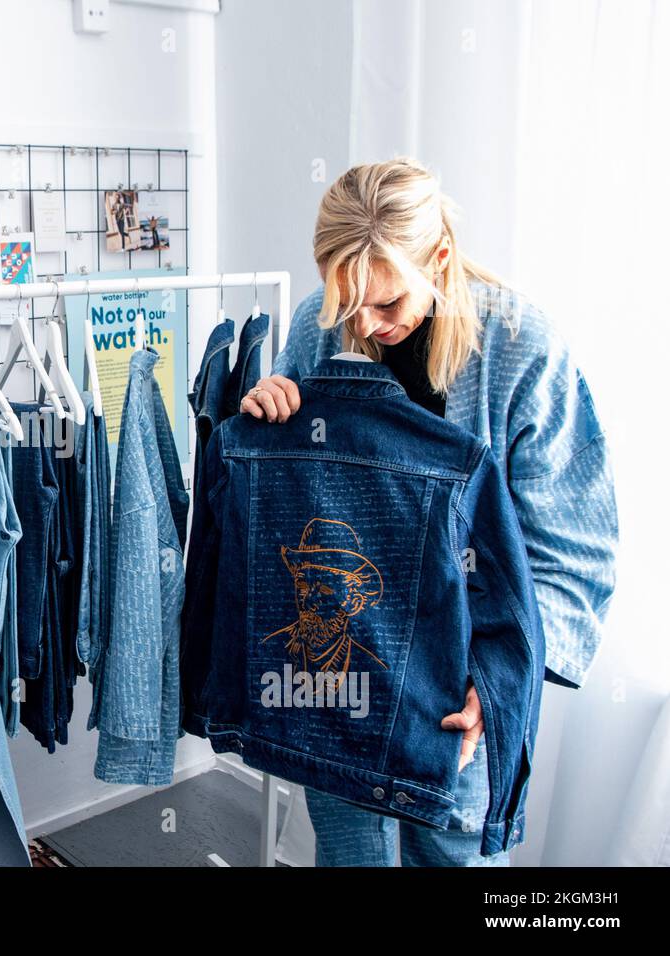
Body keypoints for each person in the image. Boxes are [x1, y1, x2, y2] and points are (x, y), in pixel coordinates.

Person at [242, 157, 618, 866]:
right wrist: (270, 416)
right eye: (344, 303)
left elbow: (574, 549)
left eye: (386, 305)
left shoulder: (523, 348)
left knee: (455, 854)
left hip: (457, 691)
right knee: (352, 853)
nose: (365, 324)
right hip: (344, 683)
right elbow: (293, 493)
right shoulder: (319, 329)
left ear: (439, 258)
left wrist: (501, 677)